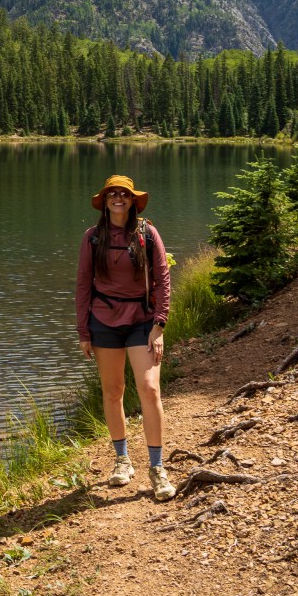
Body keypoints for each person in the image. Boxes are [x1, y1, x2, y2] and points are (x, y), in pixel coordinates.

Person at [75, 173, 176, 501]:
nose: (118, 198)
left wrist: (159, 324)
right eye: (112, 194)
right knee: (113, 391)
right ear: (104, 202)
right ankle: (122, 460)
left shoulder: (148, 233)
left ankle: (158, 468)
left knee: (149, 389)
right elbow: (83, 285)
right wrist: (83, 331)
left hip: (142, 322)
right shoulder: (92, 238)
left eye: (125, 194)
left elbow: (162, 277)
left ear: (133, 200)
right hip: (103, 322)